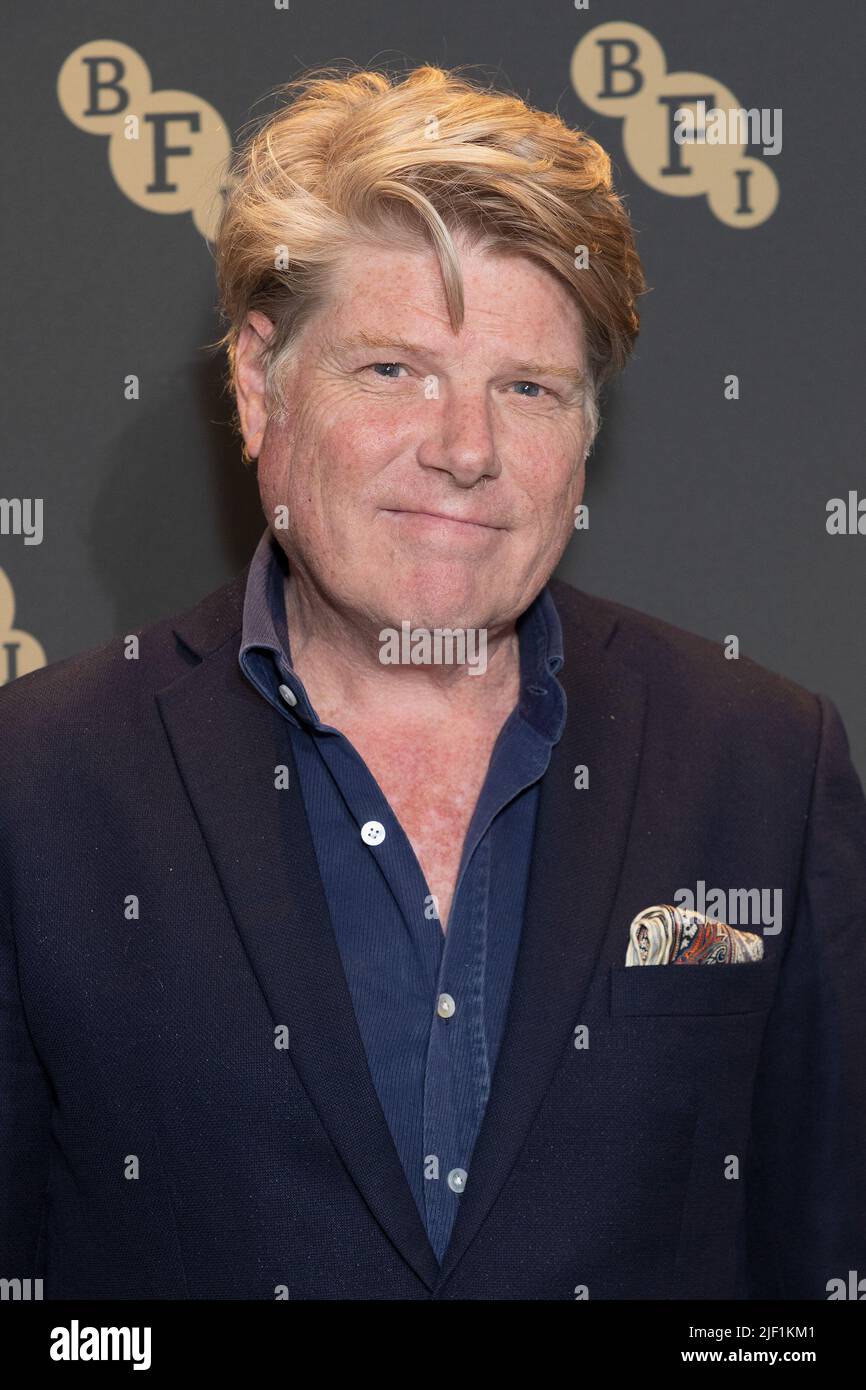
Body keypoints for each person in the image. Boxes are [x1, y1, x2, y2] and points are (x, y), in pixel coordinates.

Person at [1, 64, 864, 1300]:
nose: (463, 449)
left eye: (525, 388)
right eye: (394, 369)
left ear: (582, 436)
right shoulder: (35, 783)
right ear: (258, 388)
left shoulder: (763, 767)